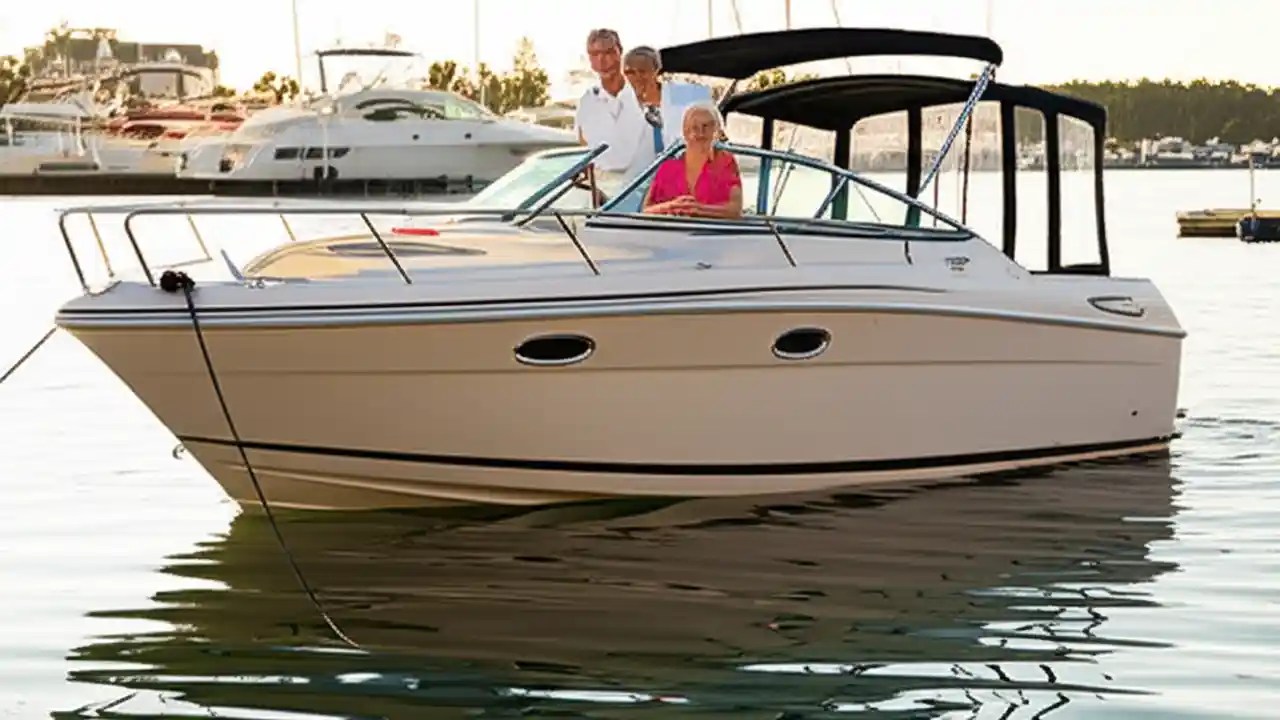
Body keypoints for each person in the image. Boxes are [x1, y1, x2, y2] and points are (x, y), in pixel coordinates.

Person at [573, 28, 651, 184]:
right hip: (602, 190)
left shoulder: (643, 93)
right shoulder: (587, 101)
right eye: (595, 55)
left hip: (643, 183)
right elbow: (583, 147)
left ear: (619, 52)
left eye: (608, 53)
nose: (602, 61)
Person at [642, 102, 743, 219]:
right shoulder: (668, 167)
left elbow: (735, 210)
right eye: (695, 127)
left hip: (712, 234)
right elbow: (646, 211)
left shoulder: (725, 162)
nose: (700, 133)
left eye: (706, 126)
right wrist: (672, 207)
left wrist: (698, 209)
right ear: (685, 132)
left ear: (717, 132)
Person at [621, 45, 714, 155]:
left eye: (642, 71)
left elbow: (714, 137)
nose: (636, 77)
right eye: (629, 72)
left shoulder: (691, 96)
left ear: (656, 71)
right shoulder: (620, 105)